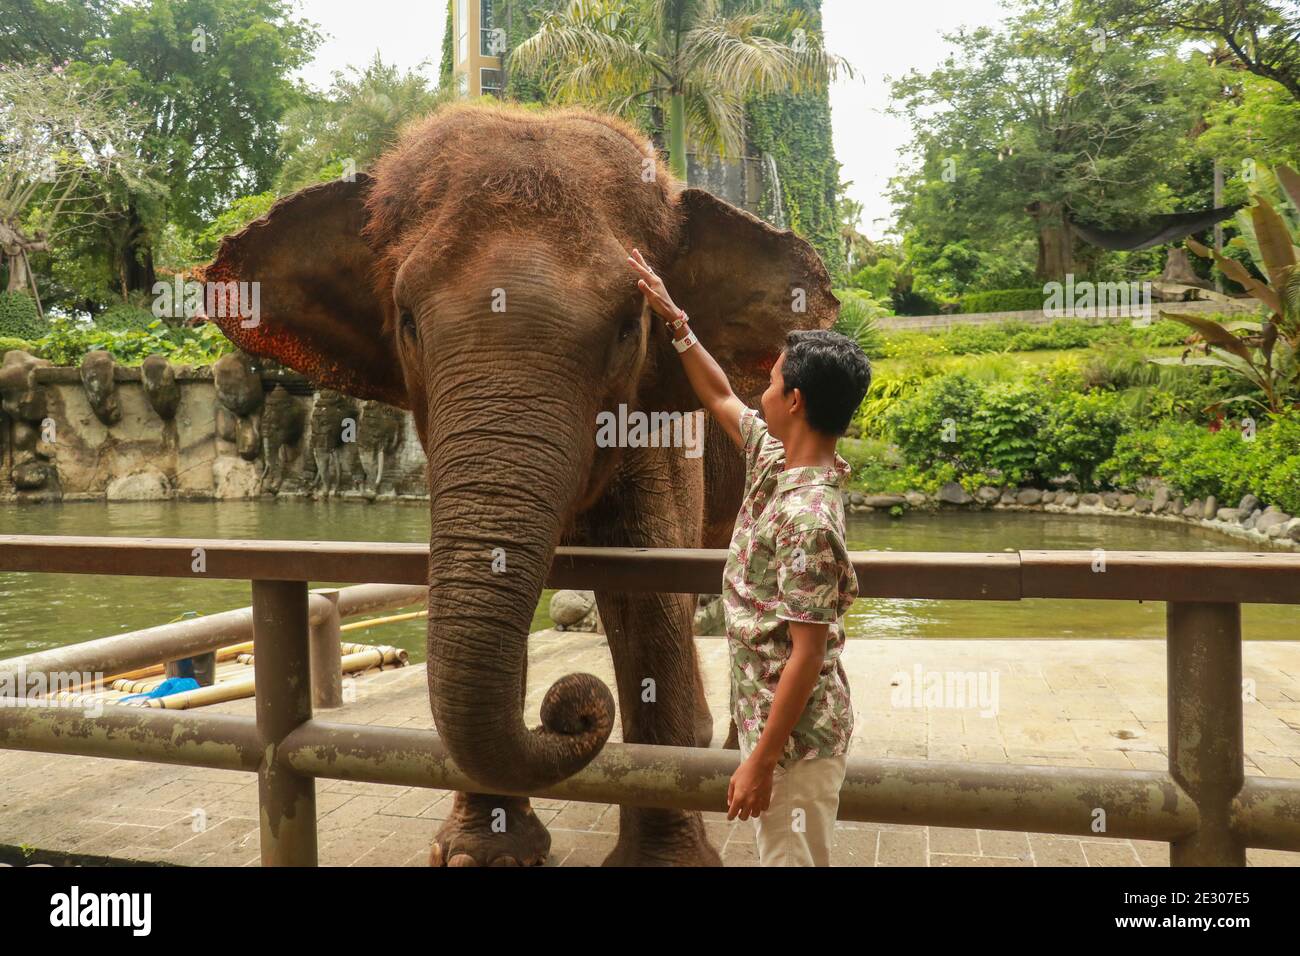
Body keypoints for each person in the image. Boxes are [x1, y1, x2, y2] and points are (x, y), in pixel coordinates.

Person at [627, 248, 872, 866]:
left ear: (794, 401)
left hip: (796, 745)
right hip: (776, 732)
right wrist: (676, 322)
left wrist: (760, 762)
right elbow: (718, 397)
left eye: (771, 380)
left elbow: (807, 655)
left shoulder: (808, 519)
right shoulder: (775, 460)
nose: (759, 390)